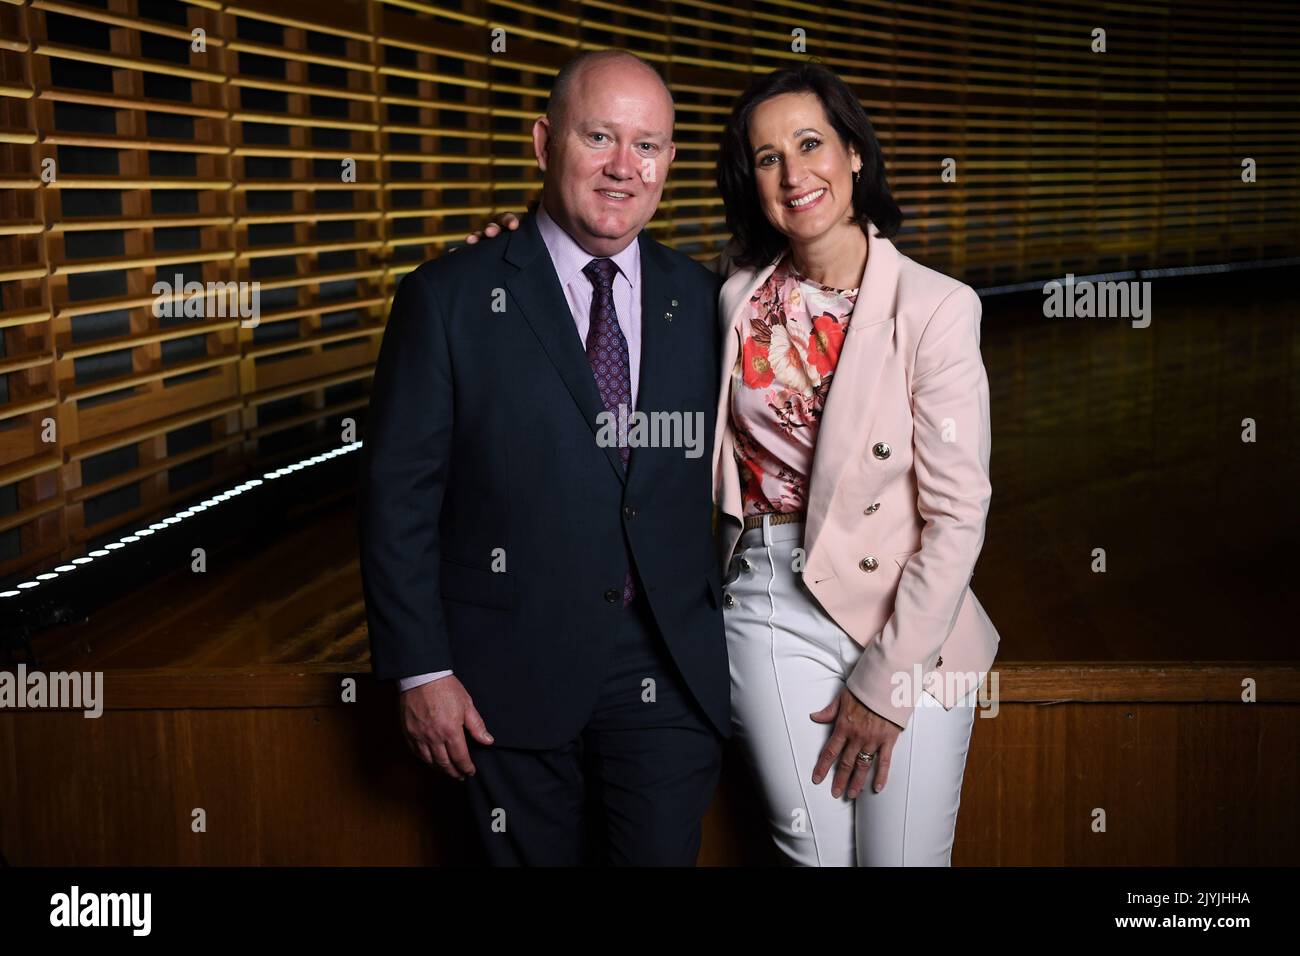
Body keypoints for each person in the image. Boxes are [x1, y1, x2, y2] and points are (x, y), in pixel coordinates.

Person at [467, 61, 1001, 867]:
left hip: (907, 616)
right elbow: (583, 274)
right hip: (765, 600)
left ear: (854, 152)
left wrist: (887, 680)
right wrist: (517, 247)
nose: (794, 173)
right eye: (766, 157)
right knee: (811, 853)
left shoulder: (936, 308)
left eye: (812, 143)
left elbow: (959, 516)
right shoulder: (729, 295)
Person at [358, 48, 730, 866]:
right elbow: (399, 498)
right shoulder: (447, 297)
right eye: (599, 136)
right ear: (543, 142)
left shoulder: (706, 302)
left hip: (667, 665)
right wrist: (420, 671)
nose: (623, 168)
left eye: (648, 145)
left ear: (669, 161)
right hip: (505, 672)